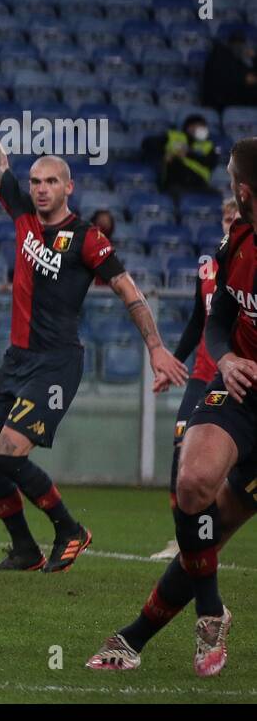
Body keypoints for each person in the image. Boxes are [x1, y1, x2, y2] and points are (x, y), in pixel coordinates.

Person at [0, 66, 188, 572]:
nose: (40, 189)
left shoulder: (87, 238)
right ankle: (24, 548)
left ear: (69, 186)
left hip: (56, 363)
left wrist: (154, 346)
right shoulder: (22, 213)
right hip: (16, 357)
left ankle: (71, 528)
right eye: (36, 181)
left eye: (51, 182)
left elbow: (129, 290)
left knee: (8, 453)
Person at [87, 144, 257, 676]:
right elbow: (218, 315)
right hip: (241, 387)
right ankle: (209, 613)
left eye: (230, 179)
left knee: (214, 529)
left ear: (244, 190)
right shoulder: (237, 242)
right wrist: (225, 356)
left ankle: (133, 638)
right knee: (191, 487)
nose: (225, 186)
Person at [151, 198, 240, 562]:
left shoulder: (246, 264)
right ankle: (182, 539)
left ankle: (210, 536)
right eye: (225, 216)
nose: (230, 221)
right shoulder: (208, 267)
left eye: (236, 216)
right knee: (180, 450)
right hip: (203, 373)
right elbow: (197, 321)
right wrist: (172, 359)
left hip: (236, 378)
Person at [147, 114, 218, 196]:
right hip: (175, 185)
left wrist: (188, 154)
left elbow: (211, 162)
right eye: (199, 126)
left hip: (200, 185)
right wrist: (164, 155)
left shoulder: (208, 145)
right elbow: (148, 144)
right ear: (189, 127)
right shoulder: (173, 136)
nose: (202, 130)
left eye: (203, 127)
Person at [202, 30, 257, 112]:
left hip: (234, 103)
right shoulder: (220, 56)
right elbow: (248, 79)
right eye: (237, 44)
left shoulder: (237, 60)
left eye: (241, 44)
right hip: (221, 105)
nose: (240, 47)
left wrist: (254, 58)